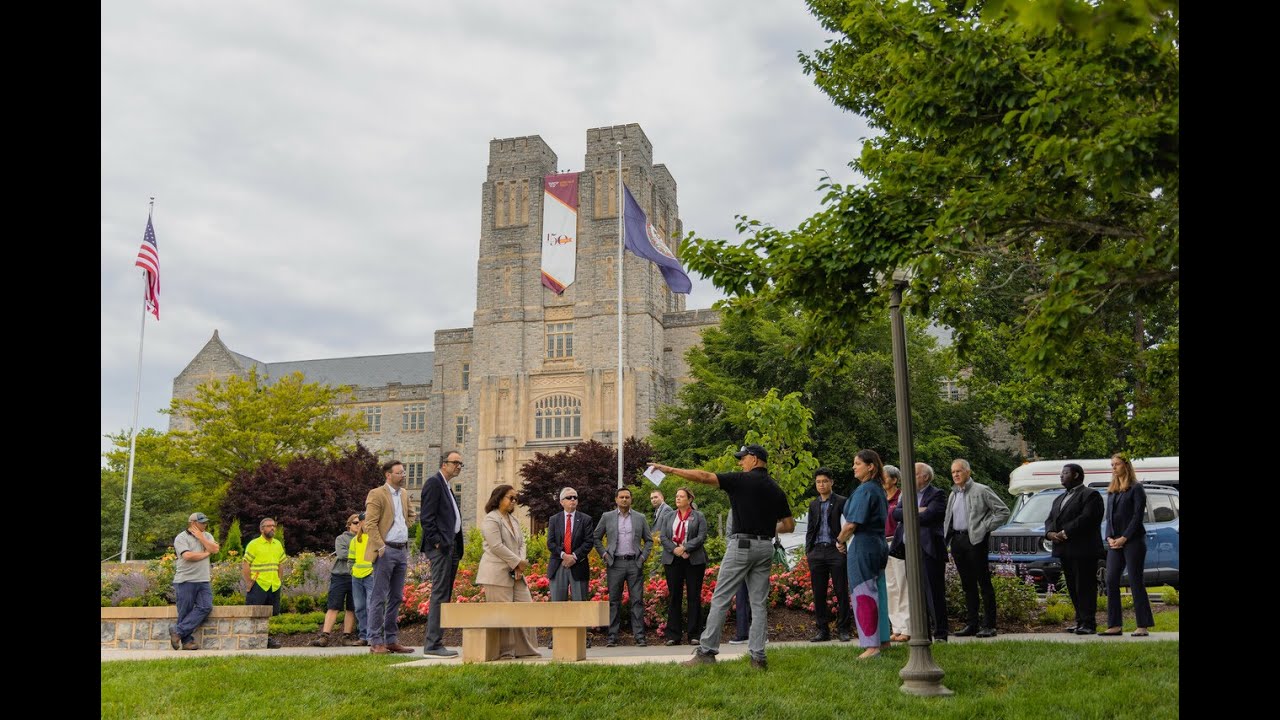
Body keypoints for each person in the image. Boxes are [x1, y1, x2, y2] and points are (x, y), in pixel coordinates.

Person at [651, 443, 794, 671]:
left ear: (754, 459)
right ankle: (758, 657)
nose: (740, 462)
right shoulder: (776, 489)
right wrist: (766, 528)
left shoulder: (740, 480)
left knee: (721, 599)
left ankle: (707, 652)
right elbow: (789, 525)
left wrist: (669, 470)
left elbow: (704, 476)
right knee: (758, 604)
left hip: (741, 546)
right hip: (764, 548)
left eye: (743, 458)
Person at [943, 458, 1010, 639]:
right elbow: (949, 518)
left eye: (959, 471)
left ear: (968, 472)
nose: (956, 474)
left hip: (975, 541)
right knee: (967, 585)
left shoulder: (982, 490)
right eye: (953, 472)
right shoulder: (953, 494)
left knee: (983, 583)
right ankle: (972, 624)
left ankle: (989, 625)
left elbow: (1003, 511)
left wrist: (984, 527)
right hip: (957, 541)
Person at [835, 450, 890, 660]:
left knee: (863, 592)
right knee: (879, 592)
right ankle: (883, 640)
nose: (853, 467)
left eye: (857, 463)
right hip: (878, 544)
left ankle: (871, 645)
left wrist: (839, 541)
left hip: (864, 545)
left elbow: (851, 524)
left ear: (871, 466)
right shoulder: (878, 489)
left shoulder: (866, 490)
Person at [477, 485, 540, 659]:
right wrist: (516, 563)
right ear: (498, 498)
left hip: (516, 572)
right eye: (510, 498)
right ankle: (505, 653)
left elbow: (522, 544)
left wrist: (520, 563)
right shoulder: (491, 519)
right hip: (496, 572)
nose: (514, 502)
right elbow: (496, 546)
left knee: (525, 608)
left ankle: (525, 650)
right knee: (503, 614)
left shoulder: (515, 520)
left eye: (515, 499)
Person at [363, 459, 418, 655]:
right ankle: (376, 641)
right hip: (385, 551)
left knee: (396, 597)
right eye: (399, 473)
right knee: (378, 597)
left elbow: (411, 515)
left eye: (403, 472)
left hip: (401, 550)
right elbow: (369, 524)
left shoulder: (403, 494)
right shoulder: (377, 494)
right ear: (388, 475)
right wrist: (380, 545)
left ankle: (391, 640)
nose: (403, 475)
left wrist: (404, 527)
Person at [1044, 463, 1105, 635]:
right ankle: (1079, 621)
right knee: (1072, 586)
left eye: (1065, 473)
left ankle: (1089, 623)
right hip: (1064, 550)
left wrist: (1065, 532)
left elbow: (1087, 518)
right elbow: (1050, 519)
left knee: (1085, 586)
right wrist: (1050, 533)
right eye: (1061, 473)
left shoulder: (1090, 495)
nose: (1061, 476)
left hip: (1084, 549)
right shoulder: (1059, 498)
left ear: (1076, 475)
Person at [891, 463, 949, 642]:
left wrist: (910, 512)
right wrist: (917, 510)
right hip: (909, 550)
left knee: (933, 593)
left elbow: (929, 516)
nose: (910, 478)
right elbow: (895, 514)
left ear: (925, 477)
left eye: (914, 474)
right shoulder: (907, 494)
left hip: (928, 550)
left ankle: (940, 634)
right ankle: (922, 633)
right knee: (915, 594)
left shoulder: (937, 494)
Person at [1100, 454, 1154, 637]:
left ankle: (1143, 625)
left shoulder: (1136, 488)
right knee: (1111, 580)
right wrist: (1109, 538)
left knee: (1135, 580)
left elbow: (1137, 517)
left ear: (1126, 465)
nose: (1113, 467)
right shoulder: (1112, 490)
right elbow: (1109, 518)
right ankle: (1114, 625)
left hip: (1134, 542)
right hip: (1114, 542)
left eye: (1116, 464)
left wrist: (1124, 537)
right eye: (1112, 465)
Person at [593, 487, 653, 647]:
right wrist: (605, 555)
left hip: (635, 563)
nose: (624, 499)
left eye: (627, 497)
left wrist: (642, 557)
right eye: (621, 497)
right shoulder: (607, 517)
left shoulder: (640, 518)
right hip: (615, 564)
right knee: (614, 601)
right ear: (616, 500)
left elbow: (649, 540)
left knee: (637, 601)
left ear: (631, 499)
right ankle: (612, 637)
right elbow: (596, 537)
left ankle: (639, 637)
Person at [419, 450, 466, 658]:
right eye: (455, 462)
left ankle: (438, 641)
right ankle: (432, 644)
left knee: (445, 594)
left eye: (460, 464)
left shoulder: (447, 487)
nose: (458, 466)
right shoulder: (433, 483)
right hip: (441, 548)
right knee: (439, 593)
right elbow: (426, 518)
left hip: (452, 546)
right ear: (444, 463)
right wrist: (437, 542)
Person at [804, 467, 851, 643]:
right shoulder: (813, 504)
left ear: (831, 482)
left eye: (824, 481)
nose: (821, 484)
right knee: (818, 593)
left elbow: (848, 525)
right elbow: (810, 528)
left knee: (841, 590)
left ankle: (844, 629)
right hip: (817, 551)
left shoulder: (842, 501)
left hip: (835, 550)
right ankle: (822, 630)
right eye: (818, 482)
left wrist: (843, 544)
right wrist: (809, 550)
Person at [546, 486, 595, 649]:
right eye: (569, 497)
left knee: (579, 603)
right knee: (558, 605)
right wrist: (563, 556)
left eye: (575, 497)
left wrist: (574, 556)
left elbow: (589, 542)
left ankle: (582, 637)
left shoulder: (586, 519)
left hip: (578, 565)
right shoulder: (554, 519)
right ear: (561, 502)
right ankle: (556, 638)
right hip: (558, 565)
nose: (573, 500)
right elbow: (550, 542)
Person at [659, 487, 708, 646]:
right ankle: (673, 635)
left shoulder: (698, 516)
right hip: (673, 559)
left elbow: (701, 537)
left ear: (689, 499)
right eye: (676, 496)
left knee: (694, 596)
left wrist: (685, 548)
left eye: (681, 496)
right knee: (675, 597)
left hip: (693, 559)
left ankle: (695, 634)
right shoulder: (668, 516)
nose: (678, 498)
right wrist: (675, 550)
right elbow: (663, 536)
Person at [310, 514, 363, 647]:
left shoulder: (364, 538)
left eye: (360, 522)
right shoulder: (341, 538)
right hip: (340, 576)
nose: (358, 525)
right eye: (355, 522)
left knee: (351, 608)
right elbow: (342, 554)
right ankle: (325, 636)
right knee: (333, 606)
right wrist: (361, 554)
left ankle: (347, 636)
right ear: (349, 524)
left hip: (356, 575)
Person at [170, 512, 220, 651]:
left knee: (206, 606)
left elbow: (215, 549)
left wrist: (201, 537)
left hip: (203, 579)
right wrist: (206, 553)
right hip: (185, 580)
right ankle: (187, 642)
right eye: (202, 522)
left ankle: (177, 631)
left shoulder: (207, 535)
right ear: (193, 523)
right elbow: (187, 556)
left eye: (205, 522)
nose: (205, 524)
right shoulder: (181, 538)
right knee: (184, 611)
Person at [242, 517, 286, 649]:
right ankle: (250, 638)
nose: (272, 528)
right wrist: (249, 582)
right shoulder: (254, 544)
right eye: (268, 526)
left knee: (268, 614)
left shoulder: (277, 544)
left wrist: (279, 580)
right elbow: (245, 564)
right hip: (259, 583)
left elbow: (280, 564)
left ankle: (265, 639)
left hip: (273, 585)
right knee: (254, 613)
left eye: (274, 526)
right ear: (261, 529)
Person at [882, 464, 910, 642]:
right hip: (883, 543)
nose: (882, 480)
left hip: (897, 543)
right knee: (890, 587)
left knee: (903, 586)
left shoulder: (901, 497)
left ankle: (907, 627)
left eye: (885, 477)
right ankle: (897, 627)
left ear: (894, 479)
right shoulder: (881, 498)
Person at [347, 512, 373, 646]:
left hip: (370, 575)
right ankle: (363, 636)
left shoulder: (375, 537)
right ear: (362, 523)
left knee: (371, 606)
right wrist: (351, 570)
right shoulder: (355, 540)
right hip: (357, 577)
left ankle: (372, 637)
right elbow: (350, 559)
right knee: (359, 607)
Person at [726, 512, 750, 645]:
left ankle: (760, 634)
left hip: (757, 555)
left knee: (757, 598)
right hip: (738, 555)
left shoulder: (760, 504)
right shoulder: (733, 510)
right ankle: (742, 634)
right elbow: (729, 534)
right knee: (740, 596)